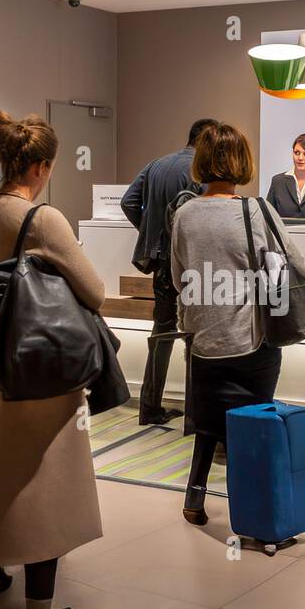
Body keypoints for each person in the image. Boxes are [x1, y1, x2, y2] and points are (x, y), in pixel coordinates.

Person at [0, 111, 105, 609]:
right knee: (43, 488)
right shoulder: (42, 220)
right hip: (37, 375)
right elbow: (95, 291)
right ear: (41, 166)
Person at [170, 122, 305, 525]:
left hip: (202, 341)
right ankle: (254, 509)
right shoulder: (257, 211)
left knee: (207, 423)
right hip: (252, 340)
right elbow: (296, 264)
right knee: (255, 425)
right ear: (241, 163)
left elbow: (180, 278)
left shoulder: (184, 214)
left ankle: (194, 499)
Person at [121, 119, 219, 426]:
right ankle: (195, 414)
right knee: (196, 336)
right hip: (191, 265)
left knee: (161, 333)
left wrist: (150, 233)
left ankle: (149, 406)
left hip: (160, 262)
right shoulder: (202, 172)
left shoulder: (156, 165)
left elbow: (128, 202)